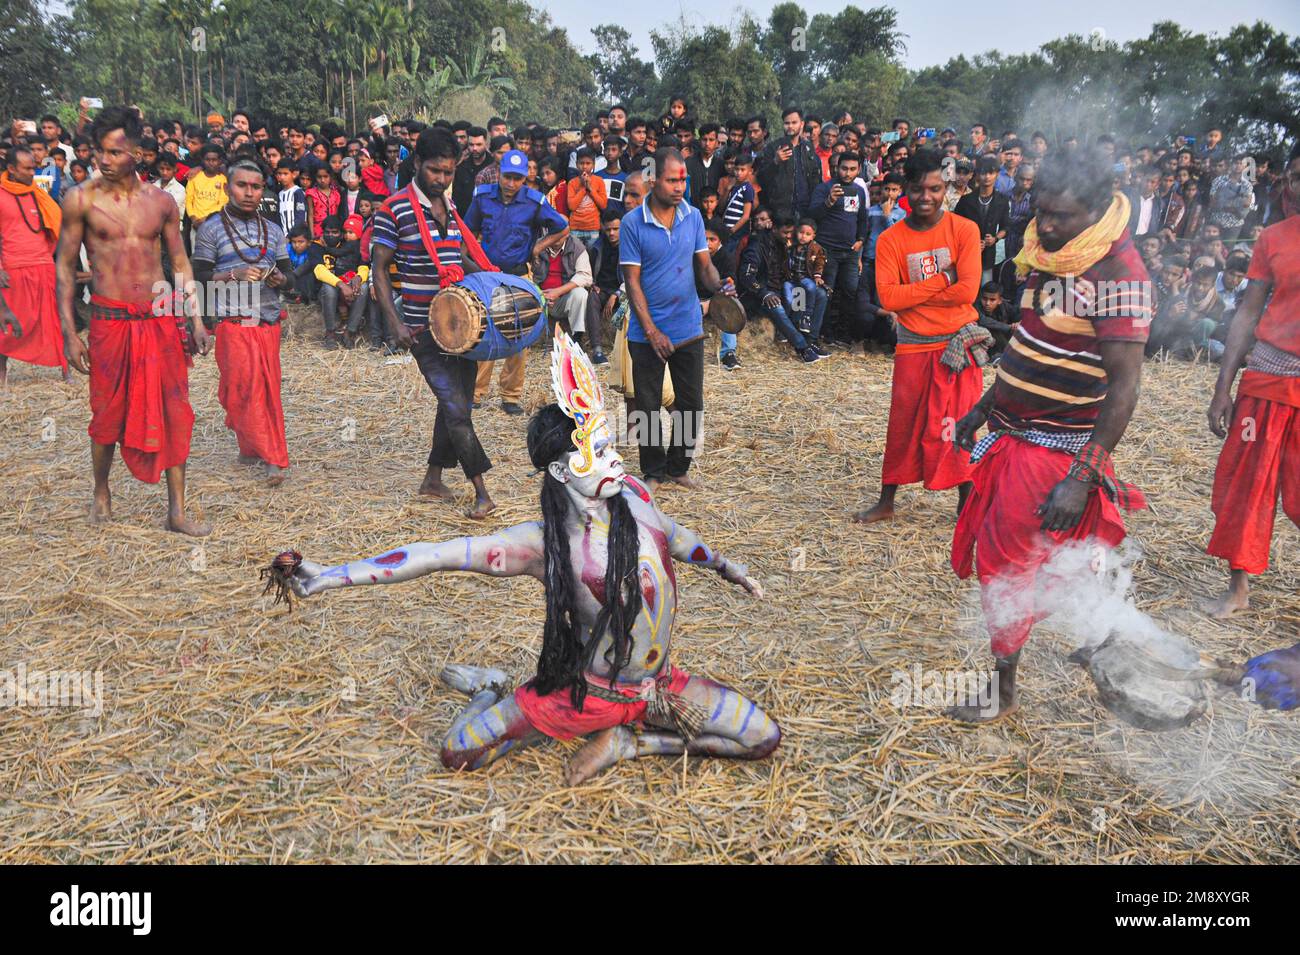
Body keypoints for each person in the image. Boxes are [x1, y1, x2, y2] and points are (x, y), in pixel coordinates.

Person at [286, 330, 778, 784]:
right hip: (586, 696)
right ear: (562, 471)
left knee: (762, 738)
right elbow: (434, 555)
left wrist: (727, 567)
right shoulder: (543, 544)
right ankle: (493, 689)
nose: (617, 460)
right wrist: (328, 577)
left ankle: (630, 744)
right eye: (598, 452)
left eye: (609, 447)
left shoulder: (633, 495)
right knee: (459, 754)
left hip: (660, 688)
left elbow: (676, 537)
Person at [947, 147, 1151, 721]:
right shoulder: (1048, 254)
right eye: (1042, 212)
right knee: (1060, 560)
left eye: (1062, 216)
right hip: (1012, 433)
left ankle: (1003, 692)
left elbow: (1124, 389)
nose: (1049, 225)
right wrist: (984, 406)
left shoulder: (1120, 275)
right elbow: (1029, 345)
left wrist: (1081, 478)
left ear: (1098, 209)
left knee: (1009, 566)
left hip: (1055, 451)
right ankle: (1103, 639)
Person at [55, 106, 211, 536]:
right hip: (108, 320)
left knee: (174, 409)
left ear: (137, 153)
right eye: (99, 152)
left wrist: (194, 319)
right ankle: (101, 490)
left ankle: (176, 510)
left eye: (114, 152)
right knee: (107, 411)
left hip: (159, 321)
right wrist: (70, 334)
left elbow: (179, 261)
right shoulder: (81, 199)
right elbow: (65, 268)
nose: (104, 160)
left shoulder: (161, 203)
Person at [370, 127, 499, 519]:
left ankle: (432, 479)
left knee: (457, 405)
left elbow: (459, 257)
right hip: (423, 330)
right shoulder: (394, 209)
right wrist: (394, 324)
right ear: (417, 165)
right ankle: (481, 492)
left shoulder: (453, 207)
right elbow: (378, 270)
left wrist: (497, 282)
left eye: (448, 172)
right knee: (457, 407)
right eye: (434, 171)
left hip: (463, 326)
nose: (442, 179)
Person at [854, 150, 986, 524]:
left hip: (958, 341)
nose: (926, 197)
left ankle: (966, 503)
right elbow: (889, 298)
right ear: (905, 192)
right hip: (913, 343)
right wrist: (945, 279)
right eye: (917, 189)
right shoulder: (891, 238)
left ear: (946, 188)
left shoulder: (965, 230)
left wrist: (919, 294)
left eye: (934, 188)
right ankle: (886, 502)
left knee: (960, 423)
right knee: (904, 422)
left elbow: (968, 292)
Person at [1203, 145, 1300, 618]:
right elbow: (1247, 312)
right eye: (1297, 177)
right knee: (1246, 484)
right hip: (1266, 377)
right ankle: (1238, 588)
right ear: (1285, 182)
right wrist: (1224, 386)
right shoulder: (1273, 238)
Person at [621, 148, 733, 491]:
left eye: (683, 179)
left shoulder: (694, 217)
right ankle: (653, 472)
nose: (680, 186)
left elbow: (704, 265)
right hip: (647, 331)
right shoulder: (632, 223)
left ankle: (677, 467)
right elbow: (632, 282)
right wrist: (652, 331)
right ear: (653, 180)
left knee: (691, 404)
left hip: (687, 326)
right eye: (672, 180)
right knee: (648, 406)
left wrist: (719, 285)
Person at [191, 160, 293, 485]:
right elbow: (200, 276)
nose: (249, 193)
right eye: (242, 185)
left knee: (267, 391)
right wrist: (232, 275)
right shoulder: (210, 228)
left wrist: (280, 279)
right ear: (226, 187)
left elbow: (290, 276)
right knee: (241, 390)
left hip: (267, 323)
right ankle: (251, 447)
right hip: (232, 323)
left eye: (256, 187)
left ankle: (272, 456)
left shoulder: (273, 230)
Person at [463, 148, 570, 412]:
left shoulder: (534, 201)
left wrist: (537, 248)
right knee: (483, 331)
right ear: (499, 174)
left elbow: (562, 227)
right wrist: (468, 266)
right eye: (507, 177)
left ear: (525, 178)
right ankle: (476, 393)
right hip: (487, 278)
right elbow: (467, 231)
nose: (511, 184)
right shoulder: (482, 197)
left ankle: (510, 397)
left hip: (519, 276)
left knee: (517, 336)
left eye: (517, 178)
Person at [0, 145, 67, 384]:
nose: (32, 172)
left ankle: (65, 370)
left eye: (34, 167)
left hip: (42, 264)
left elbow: (51, 226)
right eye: (27, 168)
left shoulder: (37, 193)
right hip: (13, 268)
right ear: (10, 168)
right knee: (8, 324)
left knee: (52, 320)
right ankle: (2, 373)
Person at [955, 155, 1011, 285]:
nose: (987, 177)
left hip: (989, 254)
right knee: (967, 287)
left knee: (986, 287)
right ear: (978, 175)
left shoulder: (1002, 200)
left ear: (997, 174)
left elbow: (1006, 226)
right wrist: (969, 242)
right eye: (983, 173)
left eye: (991, 173)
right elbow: (956, 227)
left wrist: (995, 239)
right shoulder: (966, 200)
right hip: (967, 252)